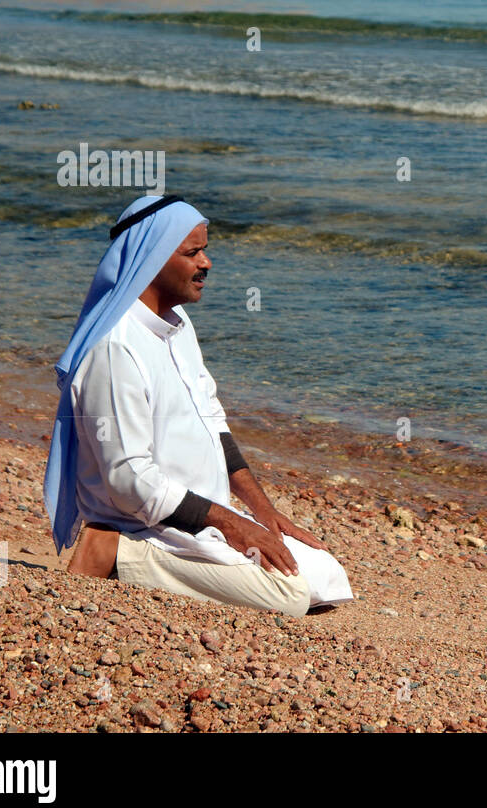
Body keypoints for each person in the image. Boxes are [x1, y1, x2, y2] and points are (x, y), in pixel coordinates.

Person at [42, 194, 352, 617]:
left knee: (326, 576)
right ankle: (115, 552)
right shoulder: (116, 349)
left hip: (200, 515)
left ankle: (205, 552)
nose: (206, 263)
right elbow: (129, 480)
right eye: (193, 253)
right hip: (145, 524)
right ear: (151, 260)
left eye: (204, 249)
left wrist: (265, 516)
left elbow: (214, 424)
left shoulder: (178, 324)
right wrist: (230, 522)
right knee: (290, 595)